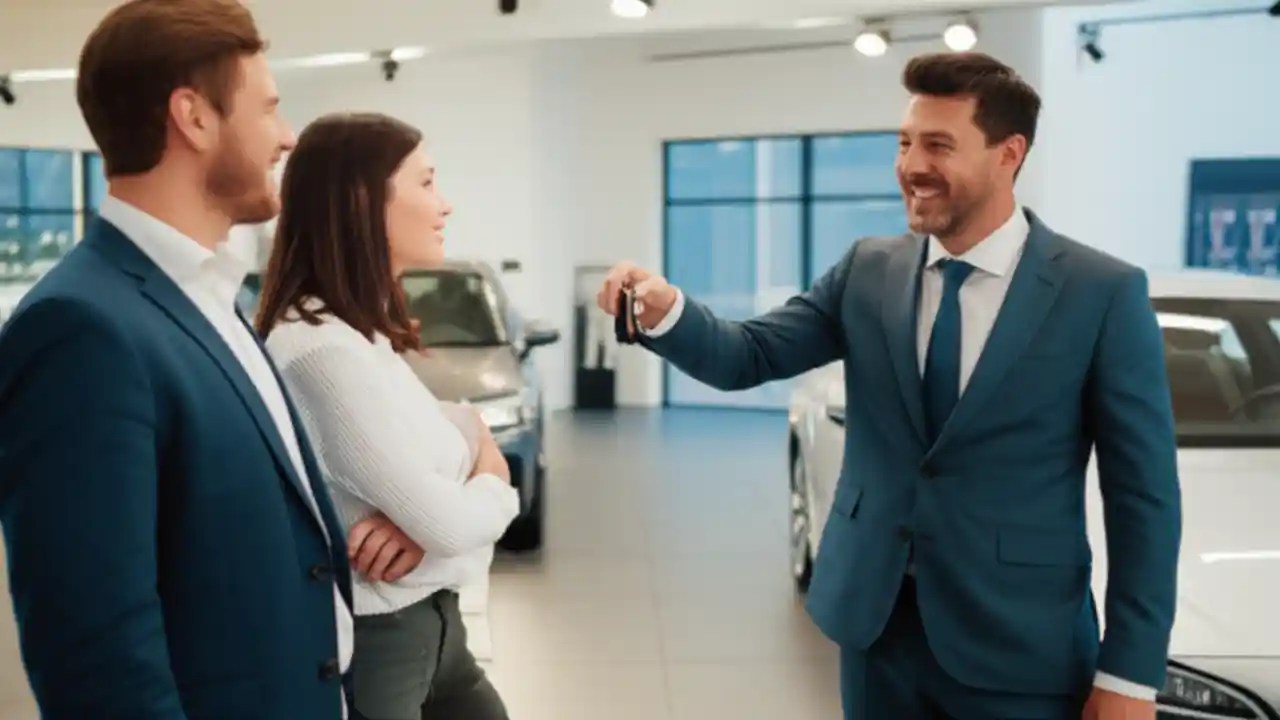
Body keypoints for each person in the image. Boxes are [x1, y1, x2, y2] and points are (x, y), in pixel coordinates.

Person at [599, 52, 1181, 720]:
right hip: (875, 631)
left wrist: (1131, 675)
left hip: (1021, 648)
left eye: (939, 145)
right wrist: (667, 309)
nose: (910, 166)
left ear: (1008, 154)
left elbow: (1144, 498)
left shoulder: (1099, 292)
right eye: (904, 143)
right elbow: (749, 356)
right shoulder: (868, 270)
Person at [0, 1, 355, 718]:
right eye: (269, 110)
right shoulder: (80, 329)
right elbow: (96, 651)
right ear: (193, 117)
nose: (286, 138)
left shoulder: (210, 296)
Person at [255, 112, 519, 720]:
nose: (445, 204)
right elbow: (453, 525)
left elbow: (463, 435)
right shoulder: (320, 350)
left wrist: (437, 507)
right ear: (362, 200)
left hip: (438, 628)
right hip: (383, 645)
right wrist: (484, 486)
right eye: (426, 183)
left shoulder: (356, 334)